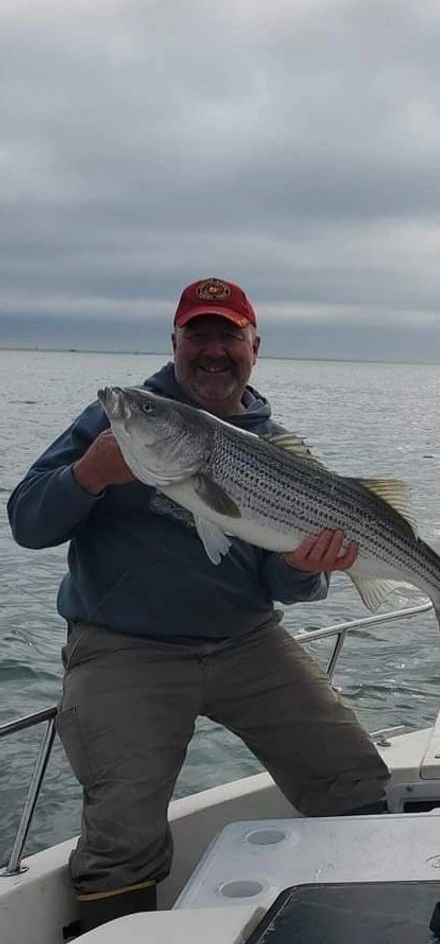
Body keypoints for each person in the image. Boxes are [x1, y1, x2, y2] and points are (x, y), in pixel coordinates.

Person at [7, 277, 390, 934]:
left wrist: (305, 569)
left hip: (247, 642)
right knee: (122, 833)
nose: (214, 351)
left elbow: (286, 584)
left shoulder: (274, 444)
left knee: (354, 779)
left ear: (254, 346)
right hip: (126, 646)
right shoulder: (119, 419)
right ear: (176, 343)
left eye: (228, 336)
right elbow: (28, 523)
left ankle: (360, 922)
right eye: (199, 335)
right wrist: (89, 475)